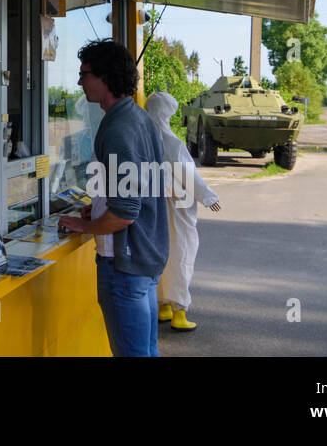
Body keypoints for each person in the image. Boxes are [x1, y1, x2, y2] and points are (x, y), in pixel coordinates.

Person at [58, 40, 170, 357]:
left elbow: (125, 213)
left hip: (125, 266)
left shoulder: (119, 128)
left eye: (85, 74)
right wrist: (101, 205)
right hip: (144, 259)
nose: (80, 82)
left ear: (105, 77)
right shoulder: (137, 117)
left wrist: (83, 227)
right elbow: (136, 188)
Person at [145, 91, 221, 332]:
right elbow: (190, 176)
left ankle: (163, 306)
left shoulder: (143, 139)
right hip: (178, 205)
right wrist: (209, 197)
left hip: (154, 206)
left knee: (161, 254)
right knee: (182, 253)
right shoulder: (173, 142)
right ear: (167, 112)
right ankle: (179, 311)